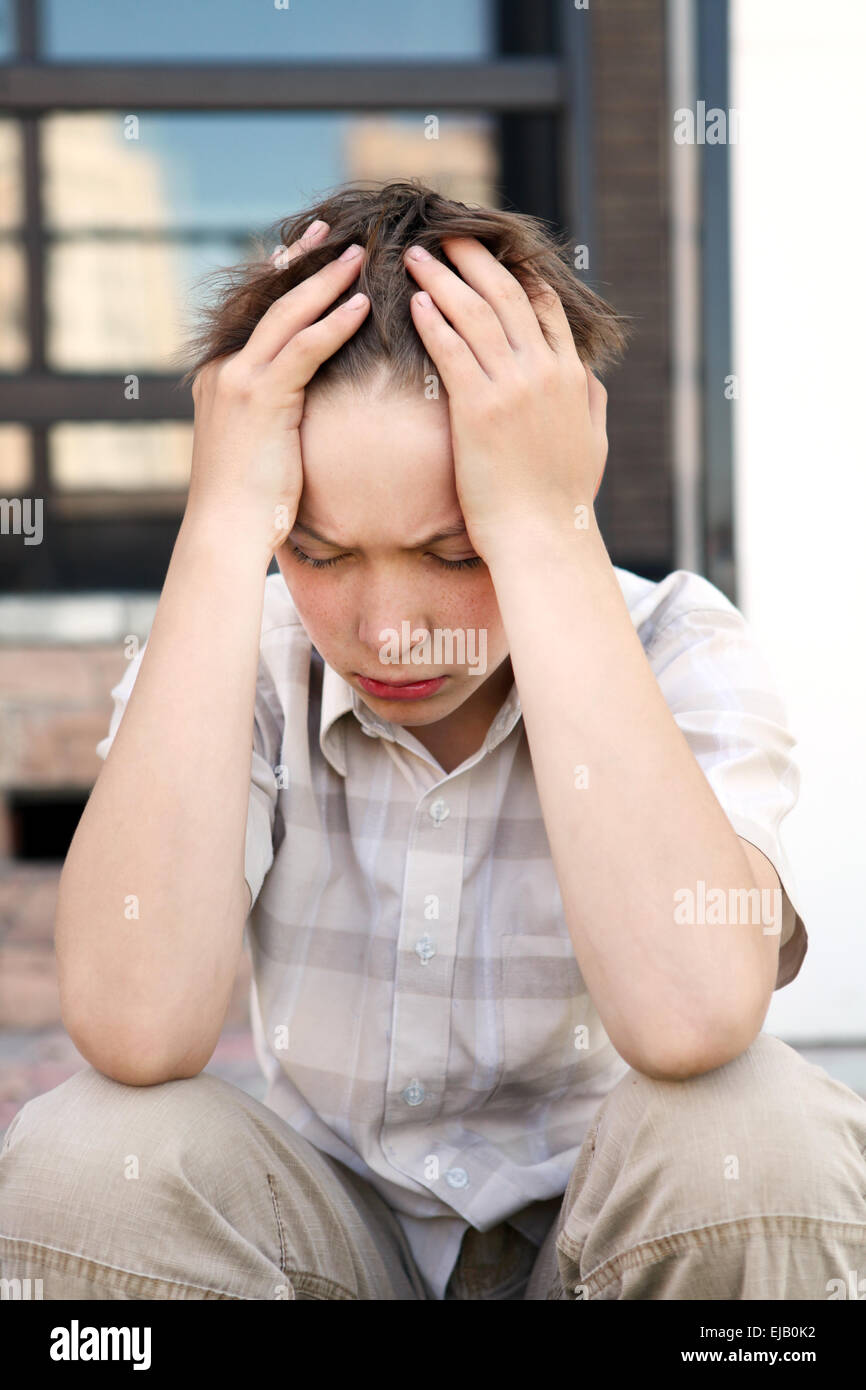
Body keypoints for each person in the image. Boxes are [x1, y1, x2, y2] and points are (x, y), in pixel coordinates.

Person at [1, 179, 864, 1301]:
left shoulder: (672, 642)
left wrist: (541, 531)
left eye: (454, 554)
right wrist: (218, 524)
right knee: (81, 1160)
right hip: (333, 1246)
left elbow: (693, 1011)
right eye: (317, 552)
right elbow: (134, 1024)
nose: (386, 627)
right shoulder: (244, 654)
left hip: (605, 1243)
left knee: (762, 1133)